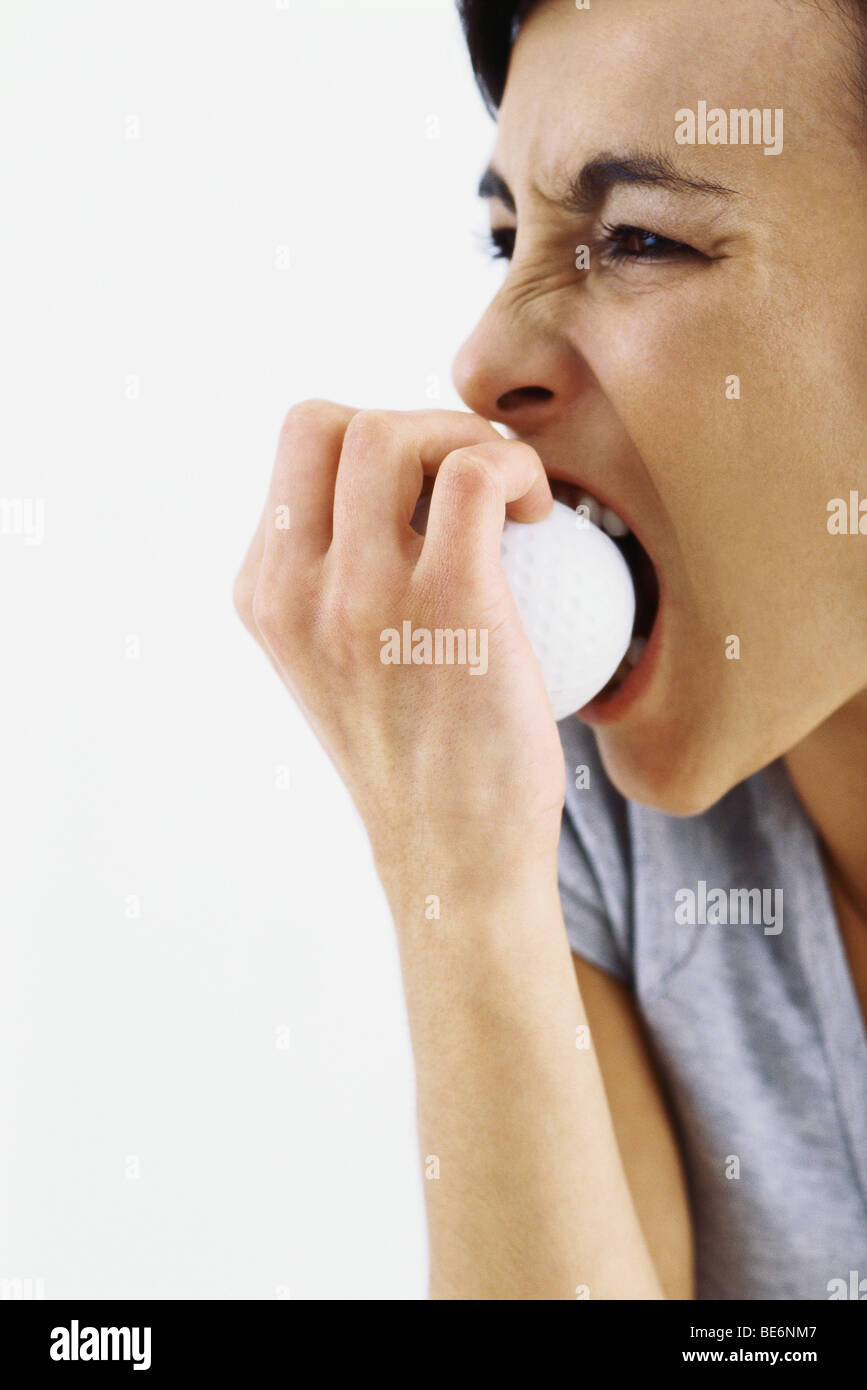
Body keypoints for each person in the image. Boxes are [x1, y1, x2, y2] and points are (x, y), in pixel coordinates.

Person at [234, 0, 867, 1299]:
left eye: (637, 237)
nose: (478, 360)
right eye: (506, 235)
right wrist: (459, 876)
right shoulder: (570, 801)